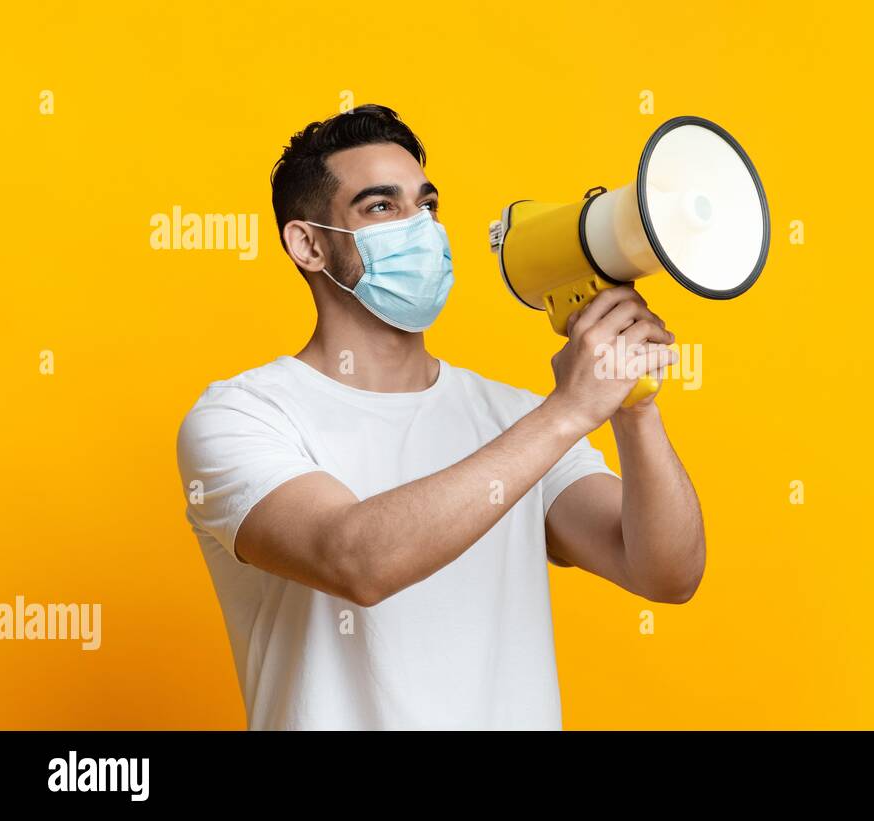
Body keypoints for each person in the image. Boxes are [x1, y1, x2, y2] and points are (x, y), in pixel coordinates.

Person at [176, 104, 705, 730]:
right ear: (309, 244)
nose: (420, 227)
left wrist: (632, 410)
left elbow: (666, 573)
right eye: (381, 207)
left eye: (427, 205)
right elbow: (355, 560)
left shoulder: (512, 417)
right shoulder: (243, 415)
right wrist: (569, 410)